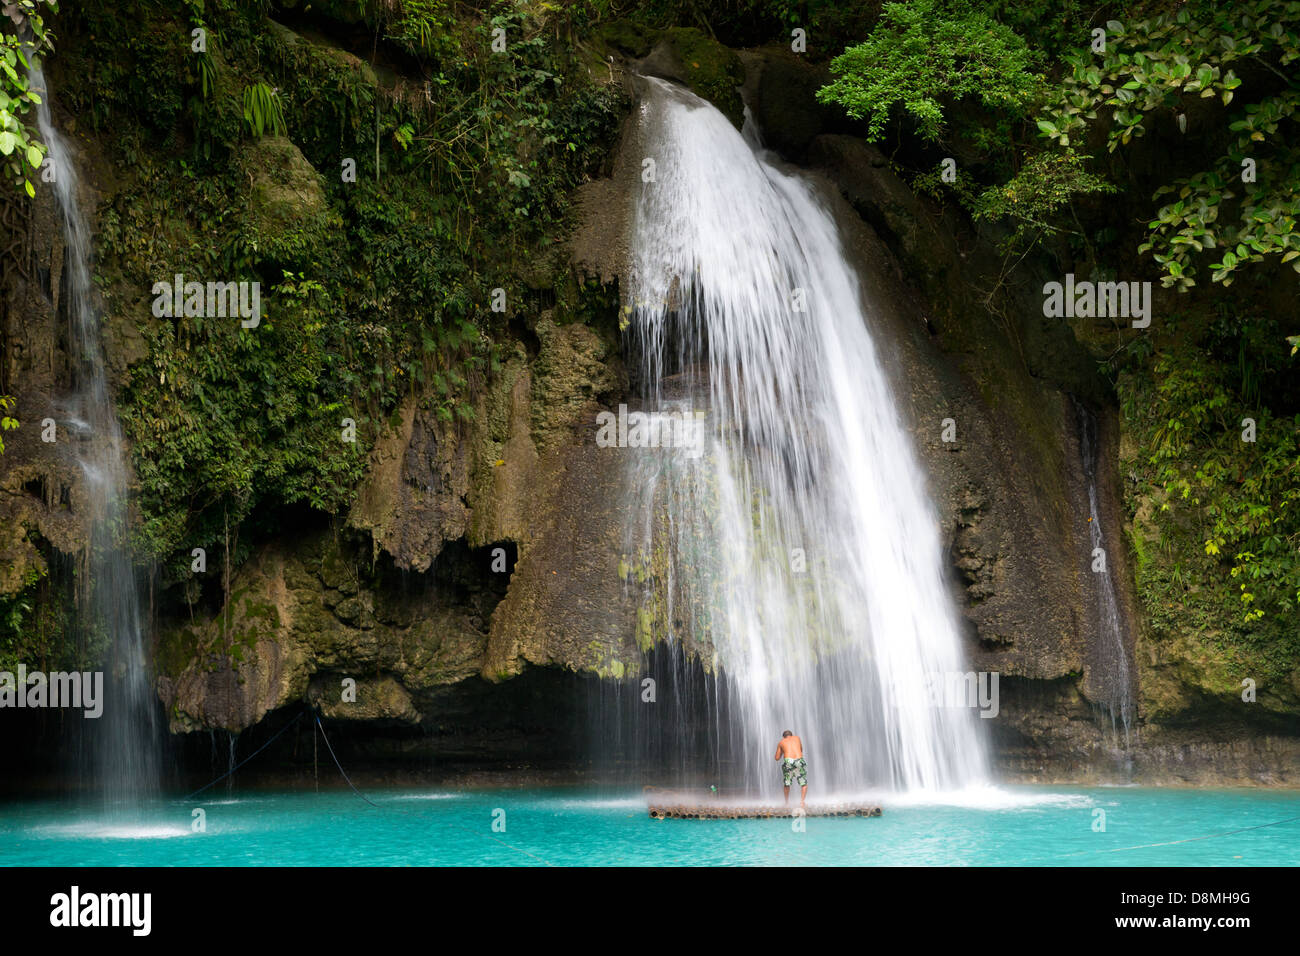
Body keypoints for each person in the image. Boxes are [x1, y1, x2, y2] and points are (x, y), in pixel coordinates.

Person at [774, 730, 807, 806]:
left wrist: (782, 750)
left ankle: (786, 803)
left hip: (788, 761)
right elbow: (801, 749)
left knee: (787, 783)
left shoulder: (781, 742)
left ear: (783, 737)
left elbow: (777, 758)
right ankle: (802, 802)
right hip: (799, 760)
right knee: (803, 783)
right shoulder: (797, 738)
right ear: (792, 735)